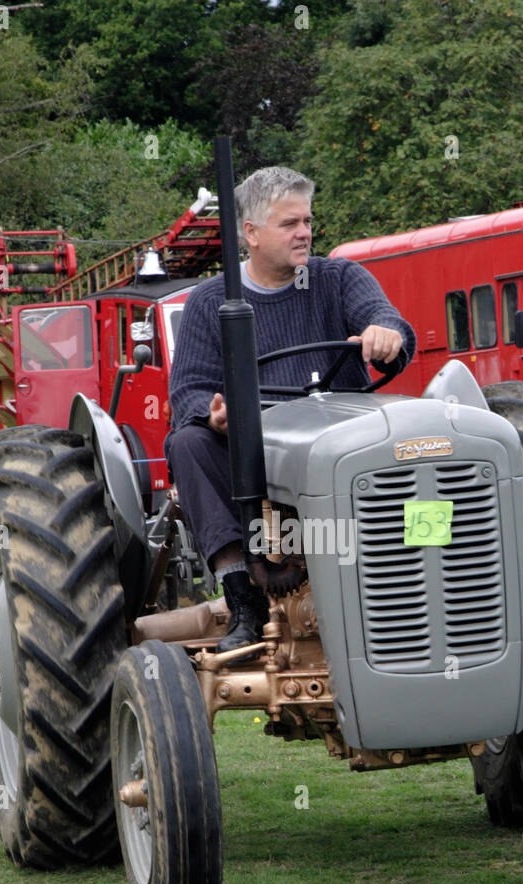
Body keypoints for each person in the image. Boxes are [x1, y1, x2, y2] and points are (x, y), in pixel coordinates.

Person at [166, 165, 416, 655]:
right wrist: (214, 412)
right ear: (251, 234)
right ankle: (244, 598)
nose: (304, 232)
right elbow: (190, 392)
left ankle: (415, 568)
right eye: (289, 224)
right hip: (258, 455)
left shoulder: (338, 279)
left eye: (307, 221)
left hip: (346, 438)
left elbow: (385, 320)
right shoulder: (210, 301)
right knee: (189, 441)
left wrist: (386, 335)